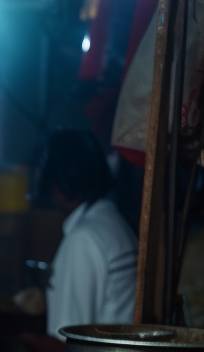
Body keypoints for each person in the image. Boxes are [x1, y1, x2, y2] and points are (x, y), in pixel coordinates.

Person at [39, 129, 139, 339]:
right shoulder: (113, 220)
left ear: (60, 180)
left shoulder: (83, 239)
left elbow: (68, 343)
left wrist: (23, 339)